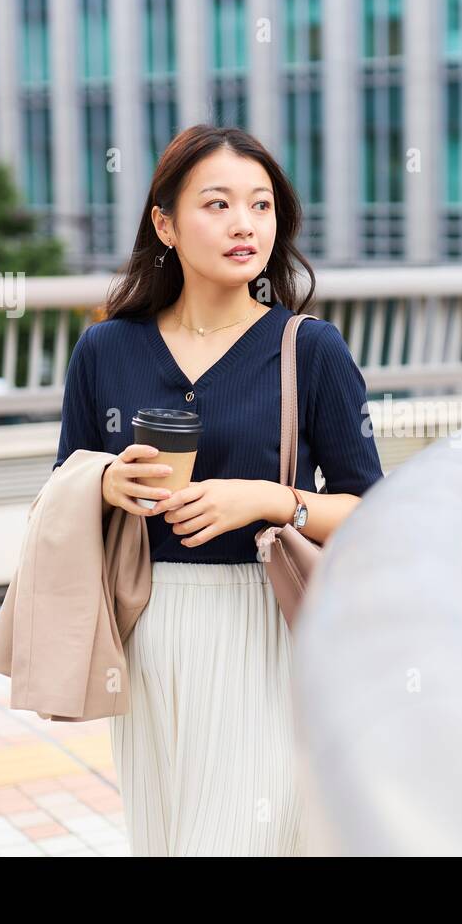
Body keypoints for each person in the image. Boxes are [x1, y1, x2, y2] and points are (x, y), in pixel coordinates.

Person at [53, 125, 385, 856]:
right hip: (146, 631)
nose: (245, 224)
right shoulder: (106, 348)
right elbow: (62, 484)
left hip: (265, 624)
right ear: (164, 224)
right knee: (167, 839)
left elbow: (370, 509)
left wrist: (273, 500)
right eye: (219, 204)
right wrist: (108, 481)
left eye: (262, 206)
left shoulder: (310, 348)